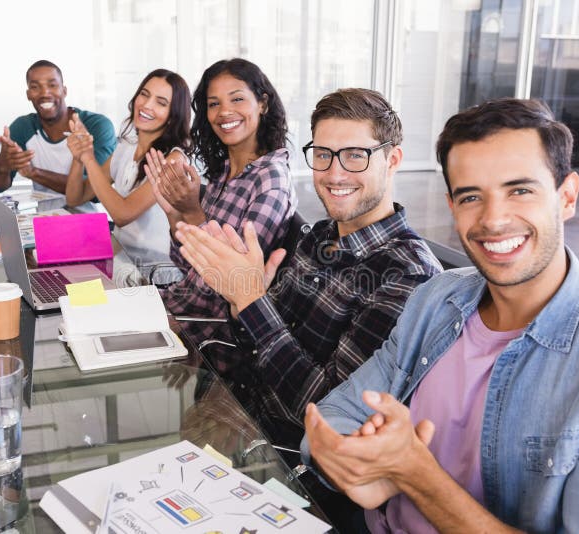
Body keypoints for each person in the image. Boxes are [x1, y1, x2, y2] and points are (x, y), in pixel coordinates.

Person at [301, 98, 579, 533]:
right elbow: (333, 414)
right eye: (471, 196)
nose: (493, 219)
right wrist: (354, 462)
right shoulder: (435, 300)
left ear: (566, 196)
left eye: (520, 190)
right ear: (452, 207)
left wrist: (412, 475)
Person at [174, 88, 442, 446]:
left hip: (289, 458)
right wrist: (244, 305)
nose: (334, 173)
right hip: (235, 420)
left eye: (354, 156)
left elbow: (328, 412)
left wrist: (254, 303)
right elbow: (257, 353)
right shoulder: (319, 235)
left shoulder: (408, 275)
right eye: (323, 155)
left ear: (392, 160)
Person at [144, 58, 296, 320]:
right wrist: (174, 213)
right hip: (176, 303)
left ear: (263, 103)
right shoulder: (224, 171)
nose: (224, 111)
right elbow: (187, 267)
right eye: (214, 104)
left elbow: (226, 288)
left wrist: (192, 213)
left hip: (201, 327)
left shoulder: (271, 182)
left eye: (237, 99)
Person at [65, 69, 191, 261]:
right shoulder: (126, 147)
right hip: (122, 262)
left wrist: (89, 159)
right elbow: (76, 197)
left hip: (157, 272)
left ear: (173, 115)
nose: (147, 105)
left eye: (161, 102)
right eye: (144, 94)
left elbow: (122, 215)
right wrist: (79, 156)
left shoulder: (173, 159)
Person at [0, 60, 116, 194]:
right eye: (35, 87)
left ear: (64, 91)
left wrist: (34, 173)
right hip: (44, 215)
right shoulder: (23, 127)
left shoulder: (97, 126)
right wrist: (2, 165)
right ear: (28, 94)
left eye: (52, 85)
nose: (45, 93)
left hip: (91, 214)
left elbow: (95, 190)